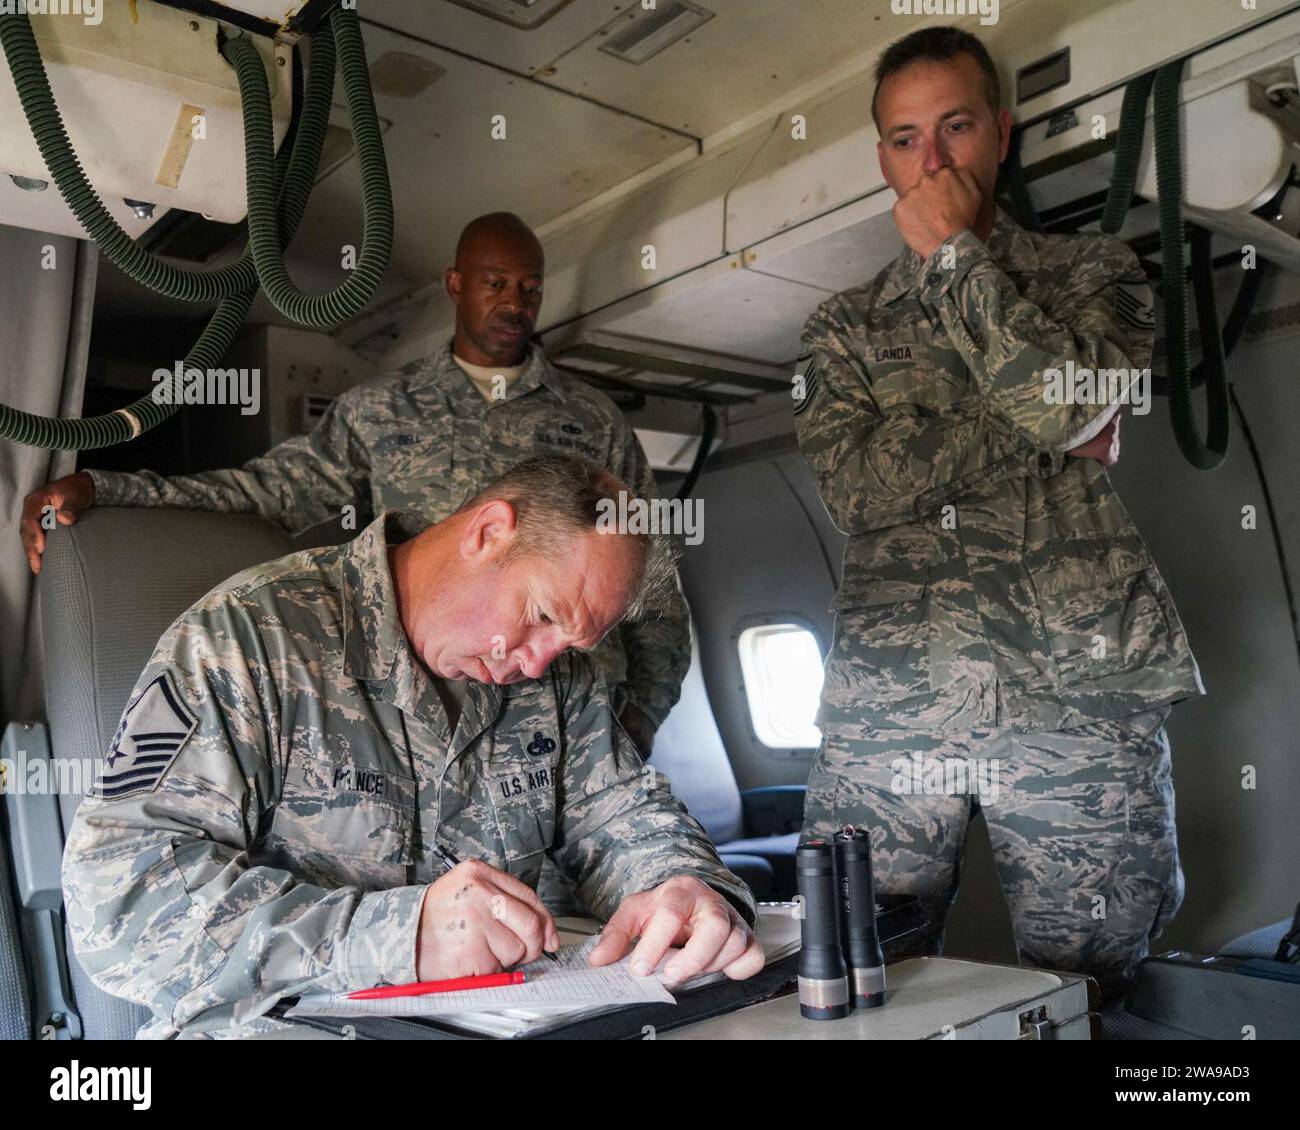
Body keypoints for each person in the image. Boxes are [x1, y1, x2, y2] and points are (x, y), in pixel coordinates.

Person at [61, 455, 761, 1038]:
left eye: (569, 642)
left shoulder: (557, 679)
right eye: (543, 616)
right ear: (490, 531)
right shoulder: (251, 638)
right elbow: (116, 902)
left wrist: (683, 886)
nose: (542, 662)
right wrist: (399, 935)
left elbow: (621, 814)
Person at [792, 26, 1203, 997]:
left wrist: (952, 261)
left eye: (955, 127)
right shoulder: (840, 328)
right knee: (853, 964)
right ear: (881, 155)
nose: (930, 161)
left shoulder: (1092, 273)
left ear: (1002, 133)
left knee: (1093, 980)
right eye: (903, 138)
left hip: (1074, 696)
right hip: (893, 705)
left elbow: (1068, 404)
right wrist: (1041, 421)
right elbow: (856, 491)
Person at [21, 212, 687, 762]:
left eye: (530, 288)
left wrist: (640, 718)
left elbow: (649, 585)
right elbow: (269, 492)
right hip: (435, 719)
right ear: (455, 284)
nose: (515, 302)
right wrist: (110, 489)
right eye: (496, 282)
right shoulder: (382, 410)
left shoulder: (592, 419)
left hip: (573, 730)